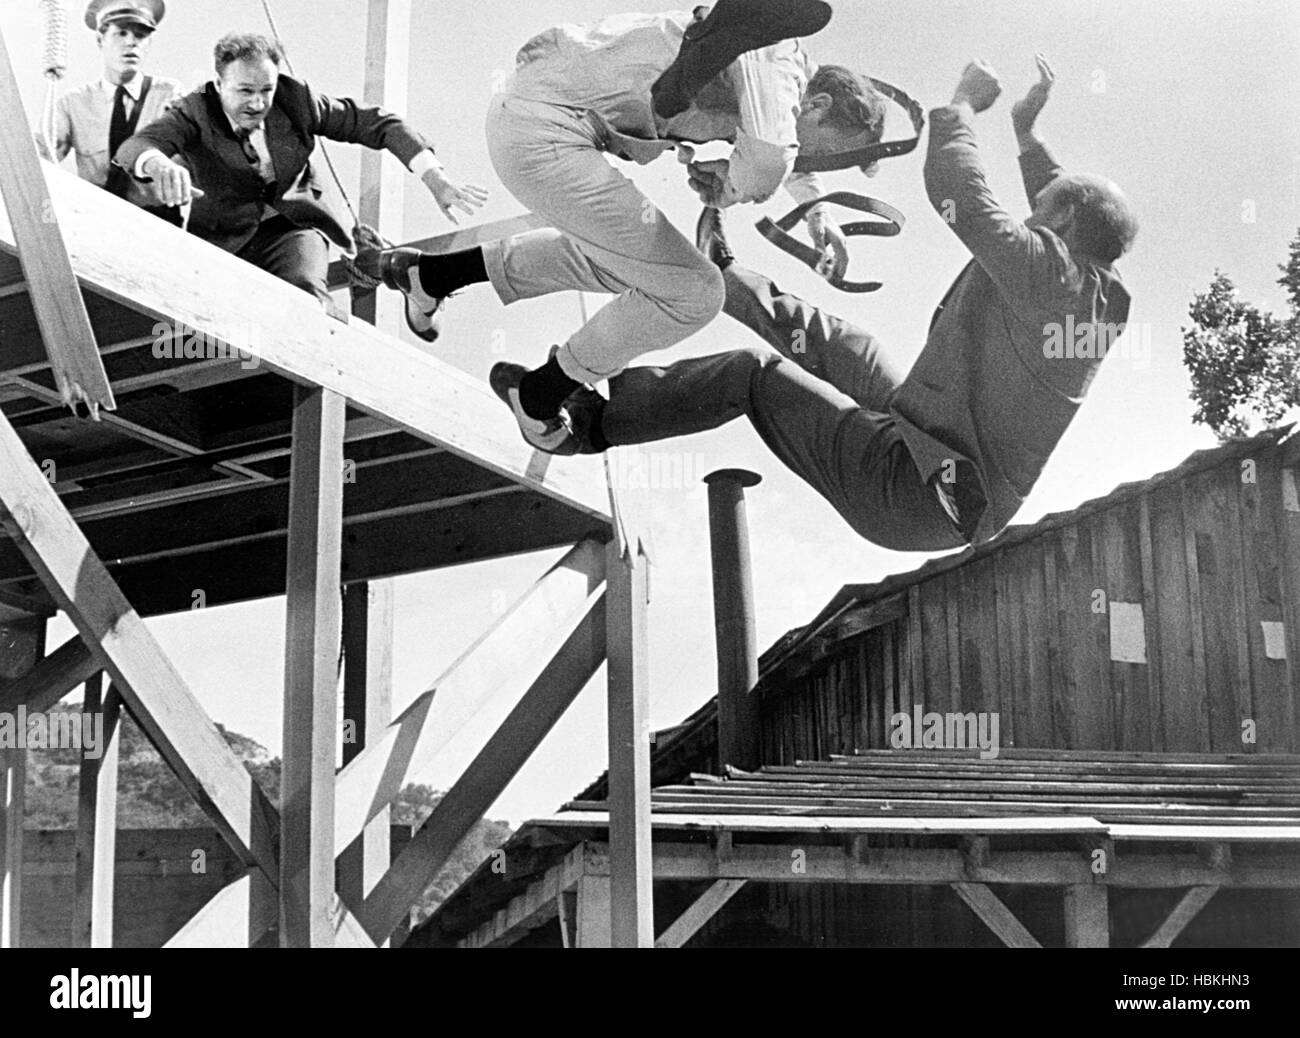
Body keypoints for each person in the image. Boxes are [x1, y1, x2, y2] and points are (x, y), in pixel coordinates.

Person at [519, 56, 1138, 553]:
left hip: (919, 497)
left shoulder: (1049, 272)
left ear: (1060, 222)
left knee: (752, 376)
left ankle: (589, 425)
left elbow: (960, 193)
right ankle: (726, 278)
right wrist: (1027, 136)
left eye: (1042, 209)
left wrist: (961, 106)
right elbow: (1076, 204)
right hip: (935, 447)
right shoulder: (1098, 290)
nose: (1032, 213)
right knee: (854, 348)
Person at [358, 1, 886, 448]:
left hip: (536, 116)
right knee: (697, 292)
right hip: (546, 134)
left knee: (634, 265)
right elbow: (772, 158)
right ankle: (540, 395)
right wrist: (727, 184)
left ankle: (430, 276)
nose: (812, 165)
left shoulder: (778, 62)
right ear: (817, 105)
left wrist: (816, 212)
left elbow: (784, 136)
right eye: (826, 153)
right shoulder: (778, 67)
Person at [114, 32, 486, 311]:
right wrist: (157, 163)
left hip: (292, 228)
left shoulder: (297, 101)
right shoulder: (193, 111)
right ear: (218, 84)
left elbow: (380, 124)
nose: (258, 103)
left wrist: (433, 175)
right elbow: (135, 148)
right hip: (221, 238)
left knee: (303, 297)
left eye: (266, 90)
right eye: (245, 91)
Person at [38, 1, 184, 224]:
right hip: (96, 222)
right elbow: (42, 158)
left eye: (140, 35)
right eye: (121, 33)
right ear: (100, 40)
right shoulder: (73, 103)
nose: (131, 43)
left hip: (156, 224)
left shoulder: (168, 94)